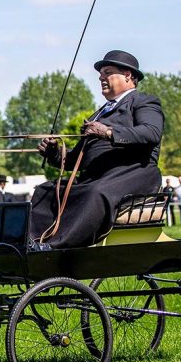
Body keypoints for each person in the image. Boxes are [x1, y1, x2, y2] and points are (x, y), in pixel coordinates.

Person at [31, 50, 163, 248]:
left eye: (107, 72)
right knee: (46, 190)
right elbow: (76, 161)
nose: (101, 77)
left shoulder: (143, 101)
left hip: (133, 174)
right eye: (100, 74)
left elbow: (151, 132)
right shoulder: (98, 113)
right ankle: (32, 241)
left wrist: (108, 132)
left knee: (95, 192)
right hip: (98, 177)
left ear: (128, 75)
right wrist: (55, 153)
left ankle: (58, 246)